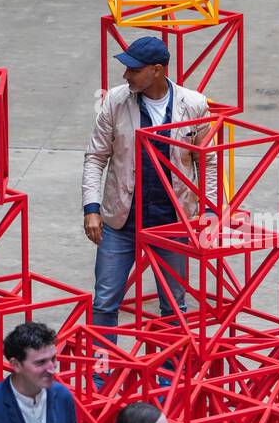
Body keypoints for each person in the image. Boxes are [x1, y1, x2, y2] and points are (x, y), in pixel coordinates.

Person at [82, 36, 217, 333]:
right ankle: (102, 375)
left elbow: (207, 163)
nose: (125, 74)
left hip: (172, 221)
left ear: (157, 70)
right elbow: (95, 157)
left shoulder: (194, 105)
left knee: (173, 306)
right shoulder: (115, 101)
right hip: (122, 222)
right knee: (104, 302)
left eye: (133, 69)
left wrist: (209, 211)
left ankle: (170, 377)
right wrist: (91, 208)